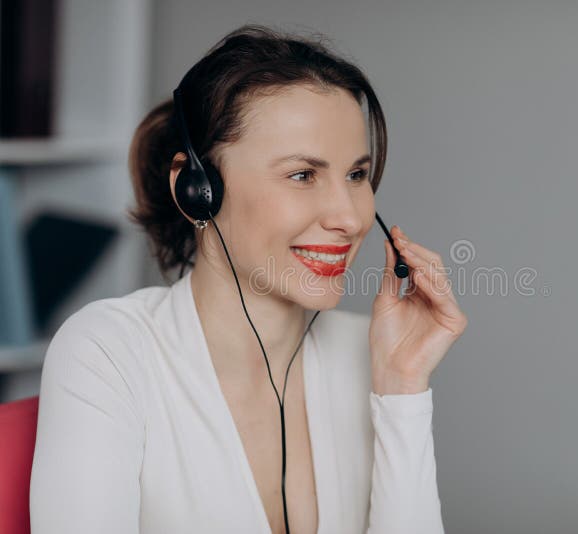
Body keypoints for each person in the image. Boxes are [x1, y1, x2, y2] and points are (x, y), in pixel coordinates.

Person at [28, 23, 467, 534]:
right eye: (303, 175)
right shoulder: (110, 352)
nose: (350, 218)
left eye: (356, 175)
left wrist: (401, 390)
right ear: (197, 189)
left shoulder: (368, 351)